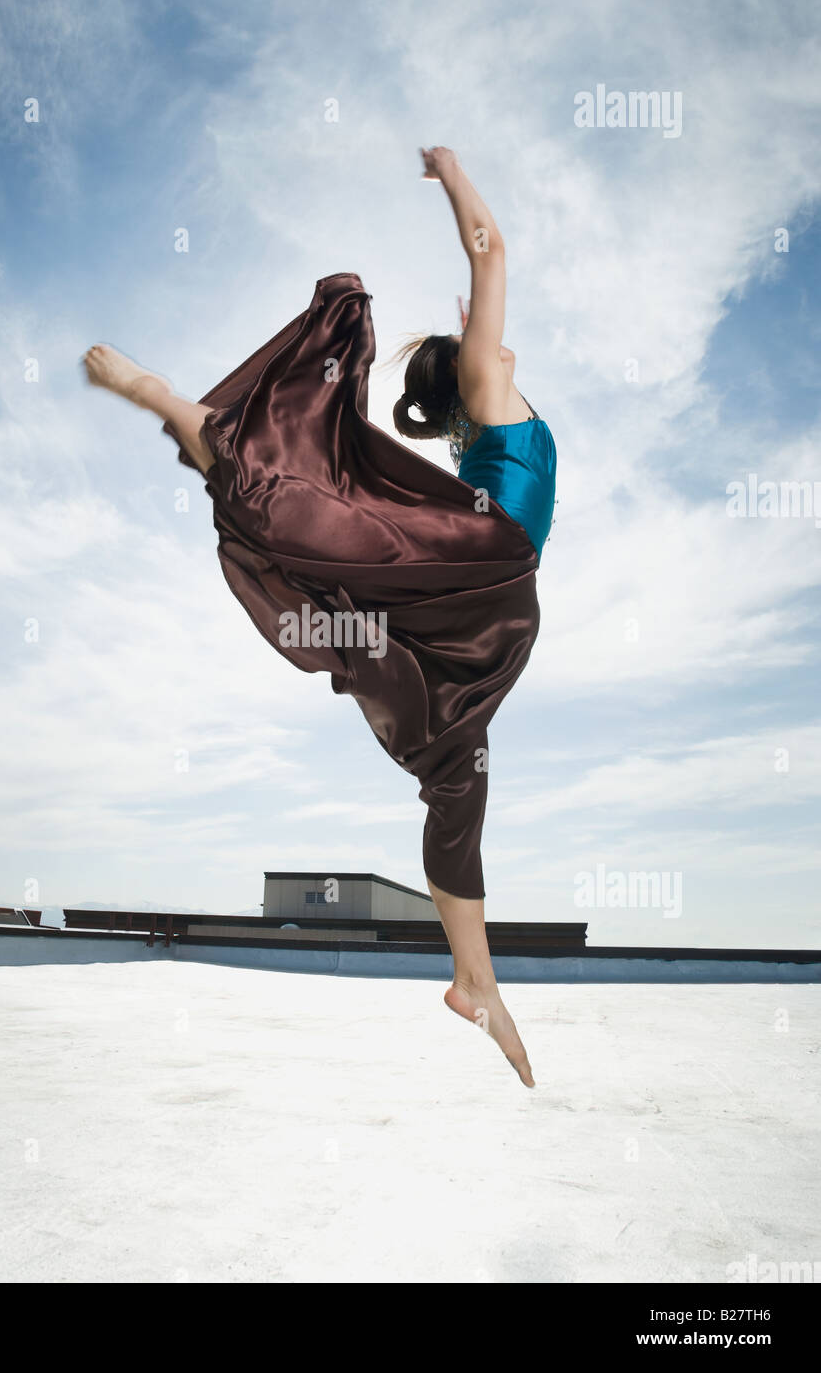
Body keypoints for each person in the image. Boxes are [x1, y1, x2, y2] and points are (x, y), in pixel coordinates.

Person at [82, 147, 556, 1088]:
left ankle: (475, 981)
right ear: (473, 367)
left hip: (484, 617)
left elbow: (484, 292)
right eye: (486, 346)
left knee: (457, 775)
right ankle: (159, 397)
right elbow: (490, 251)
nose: (504, 344)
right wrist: (452, 171)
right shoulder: (492, 395)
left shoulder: (482, 412)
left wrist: (466, 334)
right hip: (485, 572)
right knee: (301, 513)